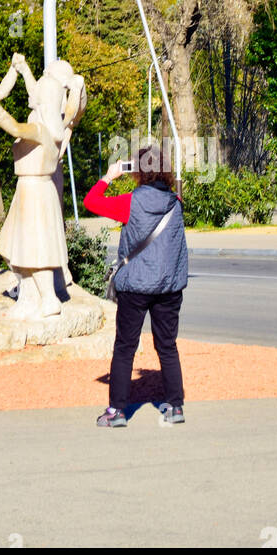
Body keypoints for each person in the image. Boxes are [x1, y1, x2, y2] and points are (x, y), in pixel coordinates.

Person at [84, 145, 188, 427]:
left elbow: (91, 202)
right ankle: (175, 406)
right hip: (168, 288)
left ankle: (117, 411)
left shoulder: (131, 202)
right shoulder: (176, 203)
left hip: (136, 287)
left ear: (138, 172)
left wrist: (108, 177)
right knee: (167, 346)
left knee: (125, 347)